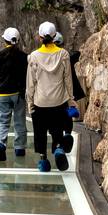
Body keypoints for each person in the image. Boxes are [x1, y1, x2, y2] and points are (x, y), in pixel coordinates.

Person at [26, 21, 74, 172]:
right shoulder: (63, 54)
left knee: (40, 131)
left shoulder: (33, 56)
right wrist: (71, 99)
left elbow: (31, 83)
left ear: (40, 37)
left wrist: (30, 102)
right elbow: (68, 79)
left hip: (40, 102)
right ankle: (59, 148)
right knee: (57, 129)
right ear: (54, 36)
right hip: (59, 101)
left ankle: (43, 160)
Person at [0, 26, 27, 161]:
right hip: (18, 93)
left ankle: (0, 143)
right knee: (19, 121)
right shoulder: (24, 57)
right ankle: (19, 148)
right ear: (18, 40)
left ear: (5, 40)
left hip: (2, 93)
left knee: (2, 121)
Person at [54, 31, 86, 151]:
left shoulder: (48, 57)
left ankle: (59, 142)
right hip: (68, 92)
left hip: (55, 92)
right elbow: (77, 54)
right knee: (67, 115)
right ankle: (67, 134)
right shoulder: (67, 56)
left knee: (56, 116)